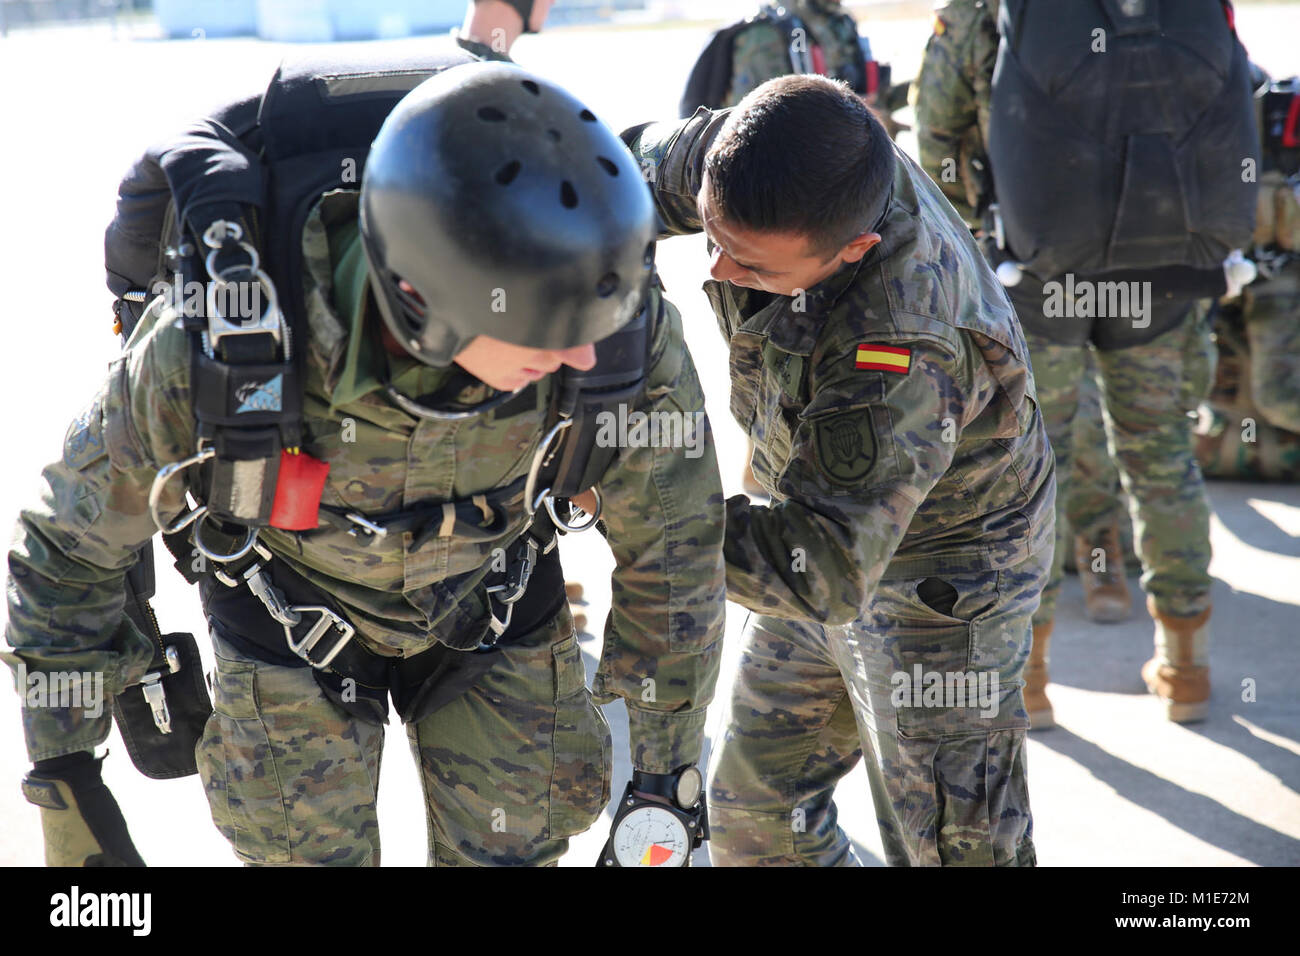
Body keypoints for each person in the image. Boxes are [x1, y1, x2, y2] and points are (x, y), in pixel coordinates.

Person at [2, 54, 725, 866]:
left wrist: (666, 772)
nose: (588, 363)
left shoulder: (609, 320)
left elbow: (676, 550)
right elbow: (65, 552)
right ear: (424, 306)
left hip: (496, 597)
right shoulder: (206, 352)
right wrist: (67, 781)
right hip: (283, 613)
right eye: (545, 338)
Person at [624, 73, 1055, 866]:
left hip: (943, 579)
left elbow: (820, 572)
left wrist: (637, 515)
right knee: (754, 820)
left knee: (955, 851)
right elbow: (608, 179)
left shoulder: (897, 343)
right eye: (711, 238)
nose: (717, 270)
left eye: (752, 267)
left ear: (852, 249)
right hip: (813, 523)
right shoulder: (756, 153)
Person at [915, 0, 1259, 726]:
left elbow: (939, 134)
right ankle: (1185, 665)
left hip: (1038, 279)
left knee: (1032, 472)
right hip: (1168, 269)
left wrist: (981, 243)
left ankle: (1031, 678)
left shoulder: (986, 8)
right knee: (1163, 454)